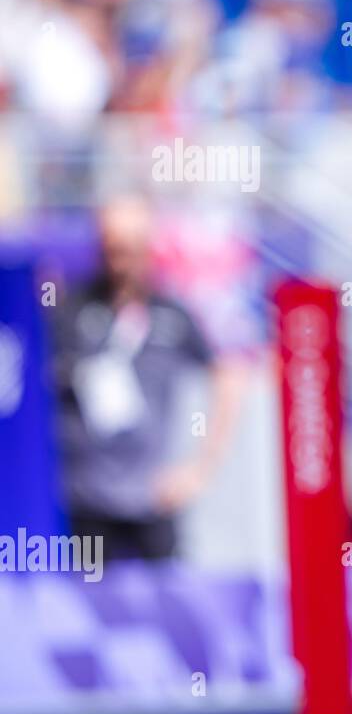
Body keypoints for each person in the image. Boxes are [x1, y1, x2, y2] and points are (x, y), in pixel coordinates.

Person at [51, 196, 240, 561]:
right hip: (86, 505)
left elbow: (228, 373)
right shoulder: (70, 311)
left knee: (166, 605)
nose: (121, 262)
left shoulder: (171, 315)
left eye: (132, 249)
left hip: (152, 501)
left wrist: (201, 467)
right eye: (113, 249)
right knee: (86, 607)